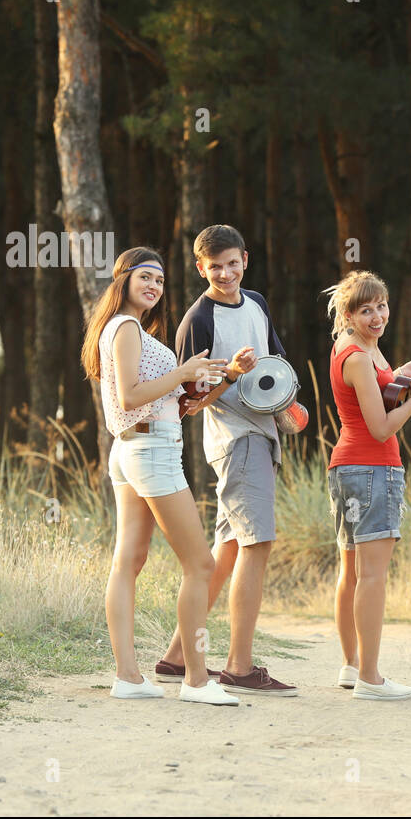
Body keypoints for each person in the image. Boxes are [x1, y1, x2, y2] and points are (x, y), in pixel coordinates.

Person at [79, 246, 246, 706]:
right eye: (145, 277)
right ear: (123, 281)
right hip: (150, 451)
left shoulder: (122, 327)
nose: (154, 286)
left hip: (133, 448)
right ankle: (195, 679)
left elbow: (161, 399)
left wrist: (209, 380)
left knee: (128, 563)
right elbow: (132, 395)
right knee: (201, 565)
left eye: (160, 280)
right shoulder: (128, 327)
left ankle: (128, 677)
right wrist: (184, 372)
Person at [153, 225, 297, 697]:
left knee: (231, 549)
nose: (226, 273)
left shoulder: (255, 302)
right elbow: (187, 398)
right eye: (215, 266)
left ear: (245, 260)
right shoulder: (198, 319)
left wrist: (290, 407)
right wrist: (230, 373)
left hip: (263, 433)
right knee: (258, 545)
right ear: (201, 269)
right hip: (235, 442)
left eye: (233, 263)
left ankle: (176, 656)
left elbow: (275, 364)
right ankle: (239, 666)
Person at [324, 271, 411, 700]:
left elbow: (373, 390)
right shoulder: (358, 355)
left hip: (348, 468)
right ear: (348, 315)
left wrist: (400, 375)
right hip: (372, 468)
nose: (377, 316)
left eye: (382, 306)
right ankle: (371, 678)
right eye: (365, 310)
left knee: (351, 572)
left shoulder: (356, 349)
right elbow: (381, 425)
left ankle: (352, 666)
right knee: (372, 576)